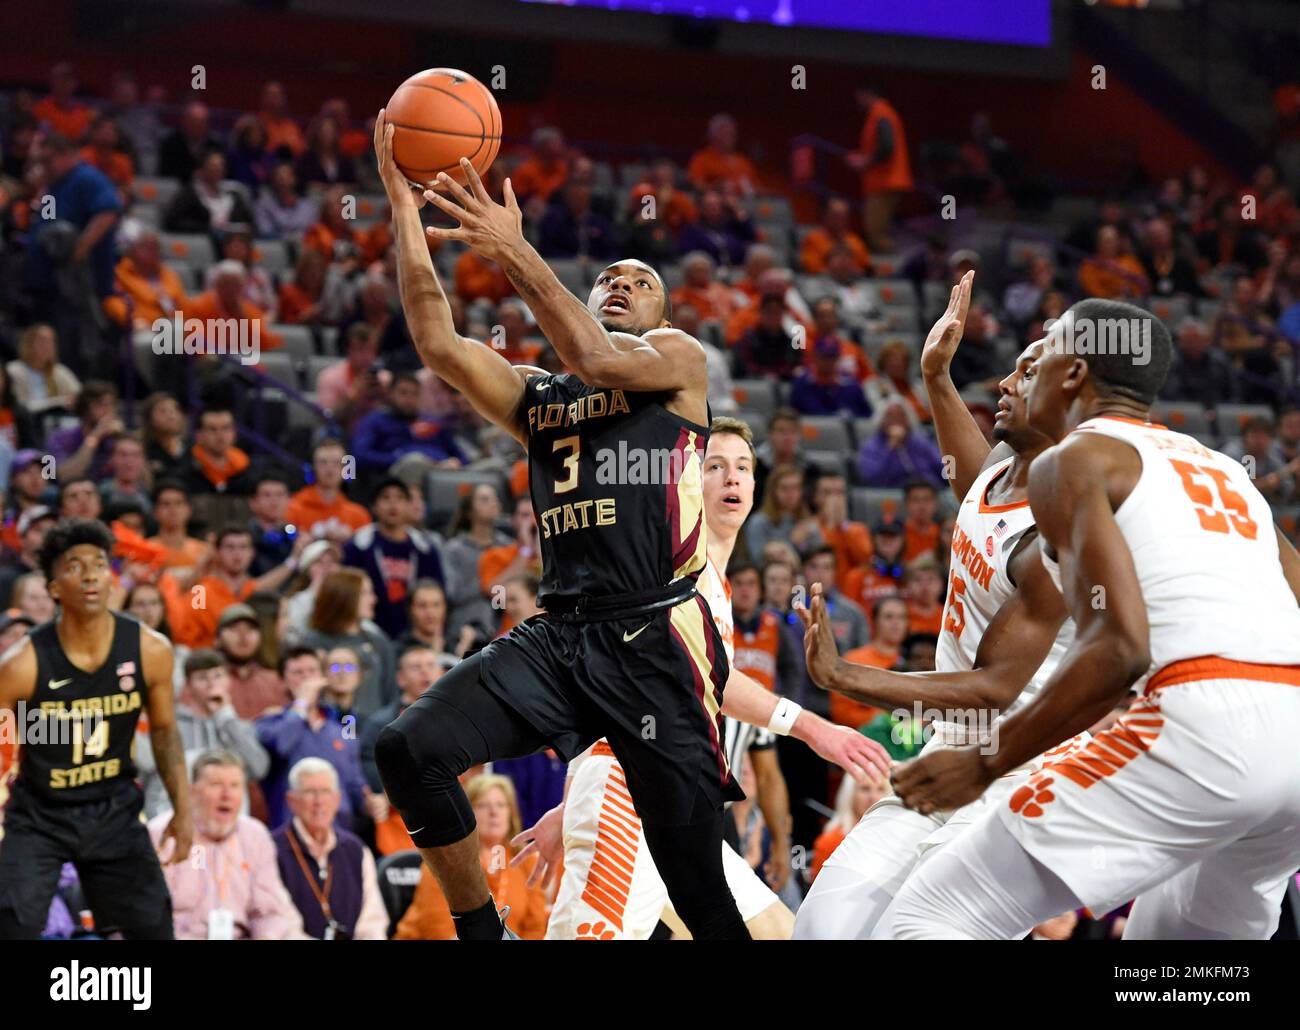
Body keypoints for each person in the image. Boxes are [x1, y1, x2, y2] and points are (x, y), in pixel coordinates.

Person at [370, 115, 753, 940]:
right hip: (562, 636)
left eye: (639, 280)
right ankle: (482, 930)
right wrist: (403, 204)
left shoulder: (676, 363)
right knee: (408, 749)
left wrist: (511, 250)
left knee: (696, 883)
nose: (620, 282)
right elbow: (439, 343)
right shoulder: (543, 397)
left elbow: (600, 359)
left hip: (658, 638)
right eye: (608, 276)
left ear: (662, 309)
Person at [880, 296, 1300, 941]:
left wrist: (985, 762)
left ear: (1073, 374)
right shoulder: (1222, 468)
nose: (1016, 379)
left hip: (1198, 721)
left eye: (1040, 359)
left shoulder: (1069, 462)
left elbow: (1119, 650)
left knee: (927, 918)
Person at [792, 275, 1085, 939]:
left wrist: (844, 678)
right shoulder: (1001, 474)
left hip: (1018, 770)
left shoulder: (1062, 526)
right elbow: (968, 479)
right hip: (950, 748)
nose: (1007, 383)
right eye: (1009, 369)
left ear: (1069, 400)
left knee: (919, 933)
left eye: (1028, 373)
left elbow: (992, 690)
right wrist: (935, 373)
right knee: (822, 925)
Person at [524, 417, 887, 939]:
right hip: (627, 791)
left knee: (777, 931)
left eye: (742, 467)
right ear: (686, 482)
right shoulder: (669, 568)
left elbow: (645, 688)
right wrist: (811, 727)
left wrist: (569, 803)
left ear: (756, 486)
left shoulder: (714, 580)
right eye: (714, 467)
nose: (731, 478)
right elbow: (703, 679)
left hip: (669, 798)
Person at [0, 518, 191, 939]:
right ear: (53, 588)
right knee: (13, 924)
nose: (89, 574)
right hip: (40, 813)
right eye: (74, 566)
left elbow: (164, 733)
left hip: (114, 807)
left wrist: (184, 809)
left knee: (154, 925)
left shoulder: (149, 649)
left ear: (112, 577)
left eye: (100, 564)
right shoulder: (21, 664)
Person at [148, 749, 304, 940]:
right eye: (216, 785)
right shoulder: (161, 835)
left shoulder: (255, 836)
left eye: (235, 786)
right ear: (191, 792)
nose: (227, 795)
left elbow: (269, 912)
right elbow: (145, 914)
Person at [395, 774, 551, 939]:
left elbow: (535, 929)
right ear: (466, 814)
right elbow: (437, 930)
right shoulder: (443, 861)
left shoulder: (526, 862)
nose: (494, 812)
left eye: (501, 805)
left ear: (511, 814)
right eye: (483, 805)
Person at [134, 649, 269, 819]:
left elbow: (259, 768)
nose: (211, 684)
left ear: (228, 681)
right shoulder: (167, 724)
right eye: (202, 678)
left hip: (226, 827)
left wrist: (226, 718)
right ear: (188, 686)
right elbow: (147, 764)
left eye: (218, 676)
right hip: (175, 823)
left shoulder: (237, 726)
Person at [255, 646, 368, 832]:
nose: (306, 678)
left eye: (312, 671)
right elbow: (283, 745)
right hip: (289, 834)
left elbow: (354, 781)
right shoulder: (269, 723)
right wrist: (301, 704)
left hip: (340, 834)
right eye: (298, 673)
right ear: (283, 682)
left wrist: (370, 802)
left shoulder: (341, 727)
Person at [273, 757, 387, 940]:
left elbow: (372, 922)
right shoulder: (272, 850)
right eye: (310, 792)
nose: (319, 801)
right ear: (291, 801)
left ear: (337, 799)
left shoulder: (356, 850)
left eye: (325, 792)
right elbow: (282, 927)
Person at [360, 644, 444, 855]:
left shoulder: (460, 718)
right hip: (397, 826)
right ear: (400, 679)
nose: (425, 672)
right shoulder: (379, 724)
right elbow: (369, 768)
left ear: (442, 673)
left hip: (449, 820)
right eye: (416, 667)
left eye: (430, 665)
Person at [164, 525, 301, 650]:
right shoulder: (200, 593)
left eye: (243, 547)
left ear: (252, 553)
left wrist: (294, 559)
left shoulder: (253, 590)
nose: (237, 554)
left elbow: (265, 583)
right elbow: (184, 639)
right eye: (230, 547)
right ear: (217, 552)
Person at [343, 477, 444, 639]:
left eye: (400, 498)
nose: (393, 505)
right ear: (373, 506)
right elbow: (347, 595)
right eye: (385, 498)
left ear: (409, 505)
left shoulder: (425, 548)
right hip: (367, 633)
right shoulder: (359, 545)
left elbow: (439, 593)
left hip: (415, 636)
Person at [302, 568, 396, 721]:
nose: (373, 599)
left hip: (373, 735)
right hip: (329, 730)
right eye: (366, 593)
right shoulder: (313, 643)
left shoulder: (379, 641)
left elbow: (391, 693)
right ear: (345, 597)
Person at [352, 373, 467, 474]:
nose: (409, 399)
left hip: (441, 473)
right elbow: (360, 455)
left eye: (414, 394)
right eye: (403, 393)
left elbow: (462, 457)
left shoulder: (433, 422)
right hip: (396, 477)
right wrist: (398, 458)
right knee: (414, 461)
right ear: (390, 394)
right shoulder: (375, 421)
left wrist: (454, 463)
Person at [850, 86, 913, 252]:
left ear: (867, 94)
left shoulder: (881, 113)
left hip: (886, 181)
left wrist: (864, 162)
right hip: (883, 182)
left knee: (875, 230)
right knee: (877, 229)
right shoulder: (879, 114)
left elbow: (887, 147)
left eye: (859, 97)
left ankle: (892, 271)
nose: (857, 102)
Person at [833, 595, 909, 731]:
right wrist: (888, 720)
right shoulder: (853, 661)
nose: (896, 623)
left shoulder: (913, 661)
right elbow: (842, 713)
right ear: (874, 621)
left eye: (901, 617)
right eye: (888, 617)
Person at [811, 768, 891, 880]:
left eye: (880, 789)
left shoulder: (897, 838)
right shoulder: (831, 841)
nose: (873, 797)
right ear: (850, 794)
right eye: (865, 789)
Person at [285, 439, 371, 540]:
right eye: (323, 462)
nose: (330, 469)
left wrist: (351, 540)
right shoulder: (292, 508)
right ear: (313, 467)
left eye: (336, 463)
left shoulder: (358, 516)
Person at [215, 603, 289, 720]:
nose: (243, 635)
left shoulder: (275, 681)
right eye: (234, 629)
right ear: (217, 639)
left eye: (250, 629)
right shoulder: (210, 684)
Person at [6, 324, 81, 415]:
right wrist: (60, 401)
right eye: (42, 341)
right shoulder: (13, 370)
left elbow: (78, 396)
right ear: (28, 344)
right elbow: (21, 406)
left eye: (51, 341)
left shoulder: (59, 371)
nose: (48, 346)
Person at [247, 473, 298, 575]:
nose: (274, 501)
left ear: (289, 501)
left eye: (280, 495)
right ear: (253, 503)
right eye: (267, 495)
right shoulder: (246, 538)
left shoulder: (296, 537)